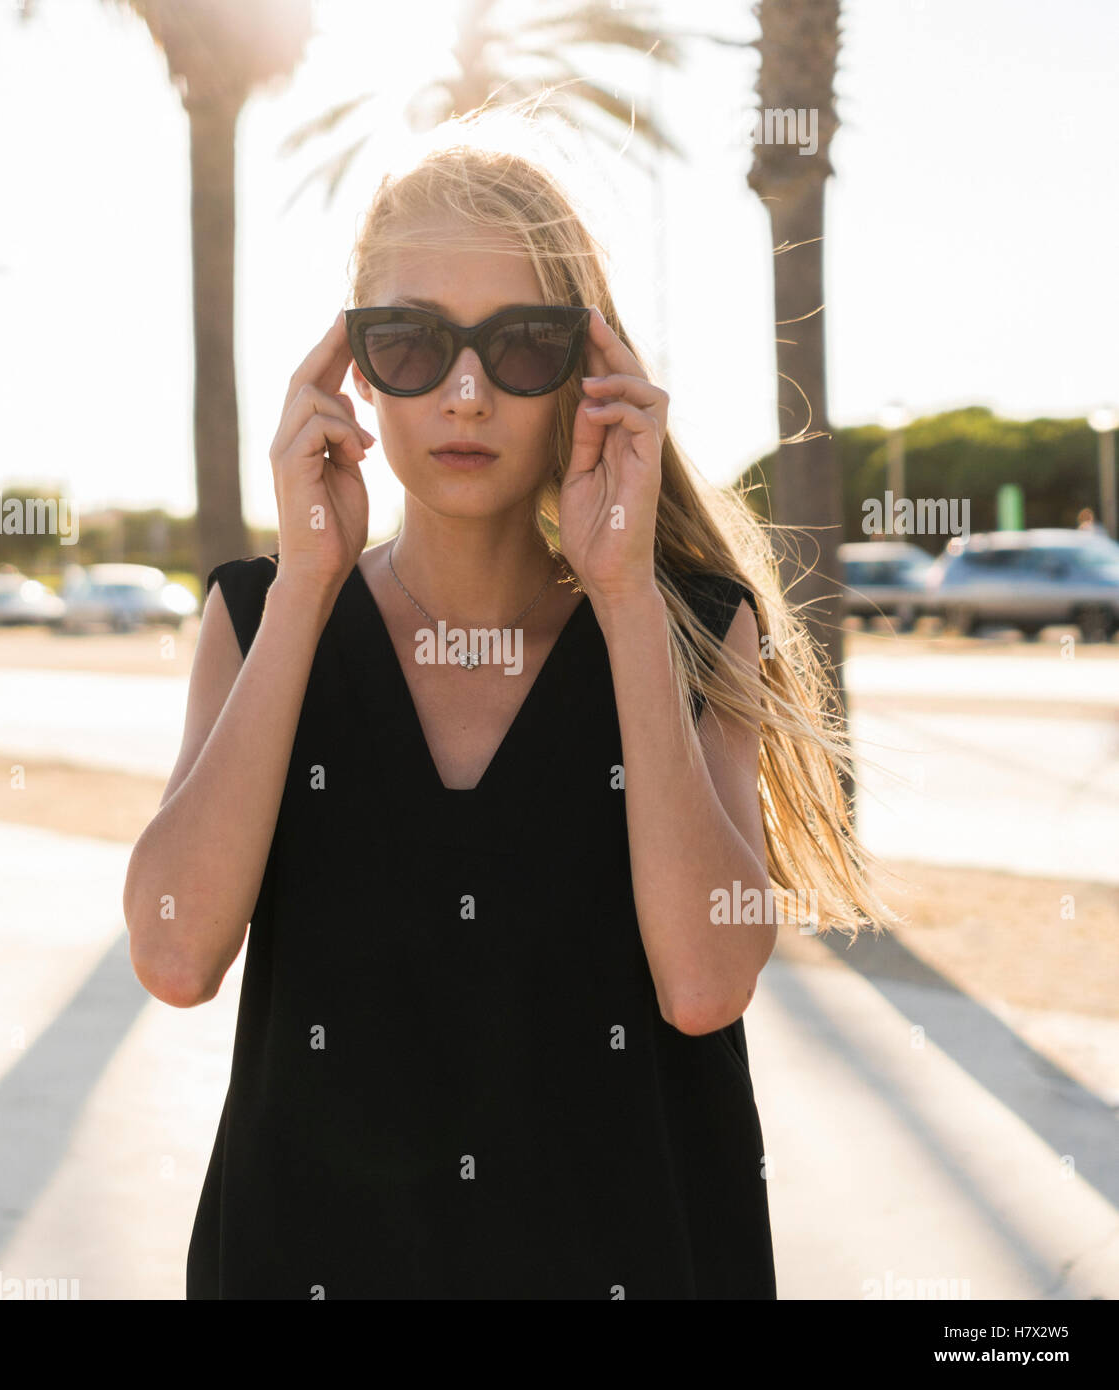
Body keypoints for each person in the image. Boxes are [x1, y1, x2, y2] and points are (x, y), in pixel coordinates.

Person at [124, 136, 898, 1300]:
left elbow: (703, 985)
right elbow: (176, 955)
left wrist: (628, 596)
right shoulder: (259, 618)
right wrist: (305, 586)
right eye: (413, 341)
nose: (466, 391)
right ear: (356, 369)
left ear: (592, 371)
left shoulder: (688, 627)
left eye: (521, 343)